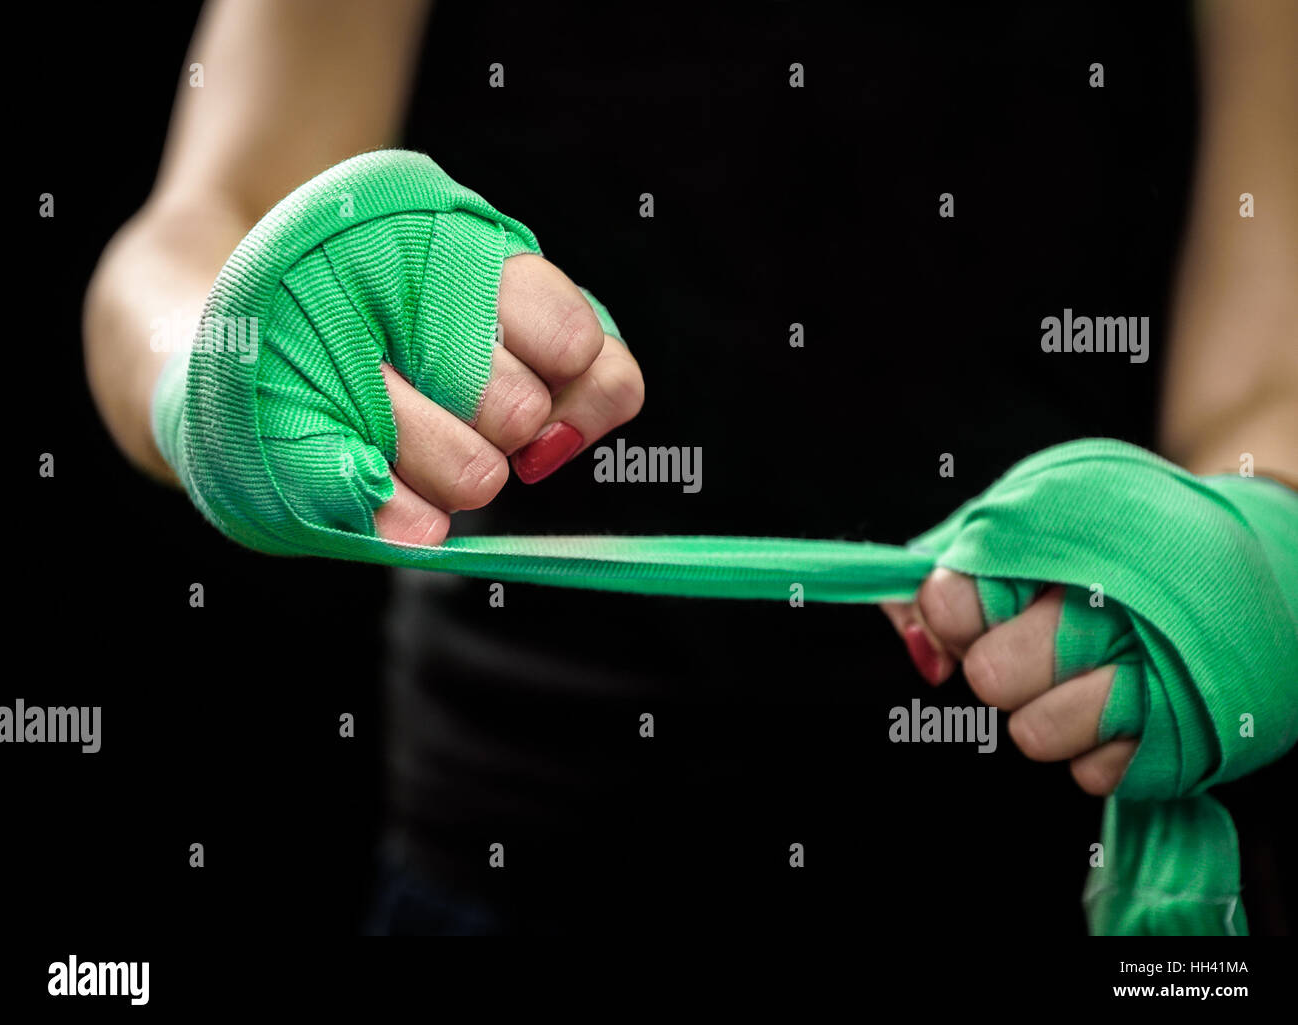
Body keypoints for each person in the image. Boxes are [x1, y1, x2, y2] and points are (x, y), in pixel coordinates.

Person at [84, 0, 1296, 934]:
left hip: (1053, 854)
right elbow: (194, 224)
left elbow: (1267, 376)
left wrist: (1253, 540)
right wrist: (222, 364)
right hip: (512, 852)